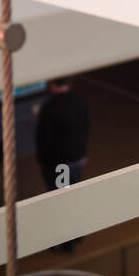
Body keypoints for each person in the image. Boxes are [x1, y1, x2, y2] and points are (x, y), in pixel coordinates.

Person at [35, 77, 90, 252]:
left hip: (60, 164)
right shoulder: (79, 101)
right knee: (72, 196)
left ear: (51, 84)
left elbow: (45, 140)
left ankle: (66, 243)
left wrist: (44, 162)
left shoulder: (50, 107)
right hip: (75, 160)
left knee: (61, 199)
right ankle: (77, 234)